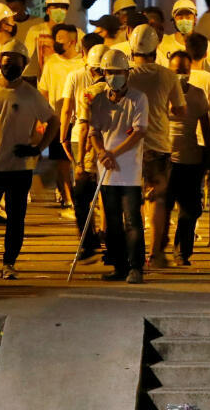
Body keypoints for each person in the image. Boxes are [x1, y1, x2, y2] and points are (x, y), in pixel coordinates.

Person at [0, 40, 59, 280]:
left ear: (24, 65)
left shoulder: (30, 94)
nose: (9, 66)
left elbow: (53, 121)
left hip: (19, 168)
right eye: (6, 62)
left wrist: (38, 148)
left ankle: (9, 263)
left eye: (15, 63)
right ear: (0, 62)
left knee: (16, 217)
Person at [125, 25, 187, 269]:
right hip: (159, 146)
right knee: (158, 199)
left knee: (132, 201)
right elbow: (181, 110)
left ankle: (135, 254)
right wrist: (165, 111)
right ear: (156, 48)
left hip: (129, 147)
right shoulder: (166, 75)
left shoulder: (127, 76)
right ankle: (155, 254)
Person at [86, 49, 149, 283]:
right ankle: (119, 266)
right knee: (112, 222)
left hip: (130, 172)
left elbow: (139, 132)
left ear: (127, 73)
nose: (114, 76)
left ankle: (136, 267)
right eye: (110, 72)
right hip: (107, 172)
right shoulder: (99, 100)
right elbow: (94, 132)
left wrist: (113, 152)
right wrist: (102, 152)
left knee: (132, 220)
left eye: (119, 72)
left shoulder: (138, 98)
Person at [164, 50, 210, 266]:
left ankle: (181, 253)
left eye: (184, 71)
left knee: (189, 211)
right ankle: (157, 251)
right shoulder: (161, 94)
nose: (181, 75)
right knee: (162, 209)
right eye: (176, 71)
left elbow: (207, 127)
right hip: (165, 160)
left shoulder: (197, 95)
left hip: (191, 160)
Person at [64, 41, 108, 263]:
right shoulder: (126, 91)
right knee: (111, 201)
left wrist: (79, 162)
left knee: (81, 198)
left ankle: (88, 244)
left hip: (93, 155)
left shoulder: (89, 94)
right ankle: (112, 247)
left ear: (91, 70)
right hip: (118, 156)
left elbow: (83, 128)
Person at [38, 23, 86, 210]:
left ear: (73, 41)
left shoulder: (82, 63)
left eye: (60, 39)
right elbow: (44, 91)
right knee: (62, 162)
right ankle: (68, 198)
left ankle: (81, 197)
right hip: (58, 119)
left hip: (80, 118)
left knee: (80, 161)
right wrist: (42, 118)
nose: (56, 43)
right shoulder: (51, 62)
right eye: (55, 39)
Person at [24, 0, 78, 79]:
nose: (59, 10)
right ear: (47, 10)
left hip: (68, 84)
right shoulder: (36, 31)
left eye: (63, 7)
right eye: (55, 6)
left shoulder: (76, 33)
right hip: (44, 85)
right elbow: (25, 57)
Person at [160, 0, 210, 68]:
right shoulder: (163, 42)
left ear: (195, 19)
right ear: (173, 20)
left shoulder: (202, 43)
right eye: (180, 17)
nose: (184, 20)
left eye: (188, 17)